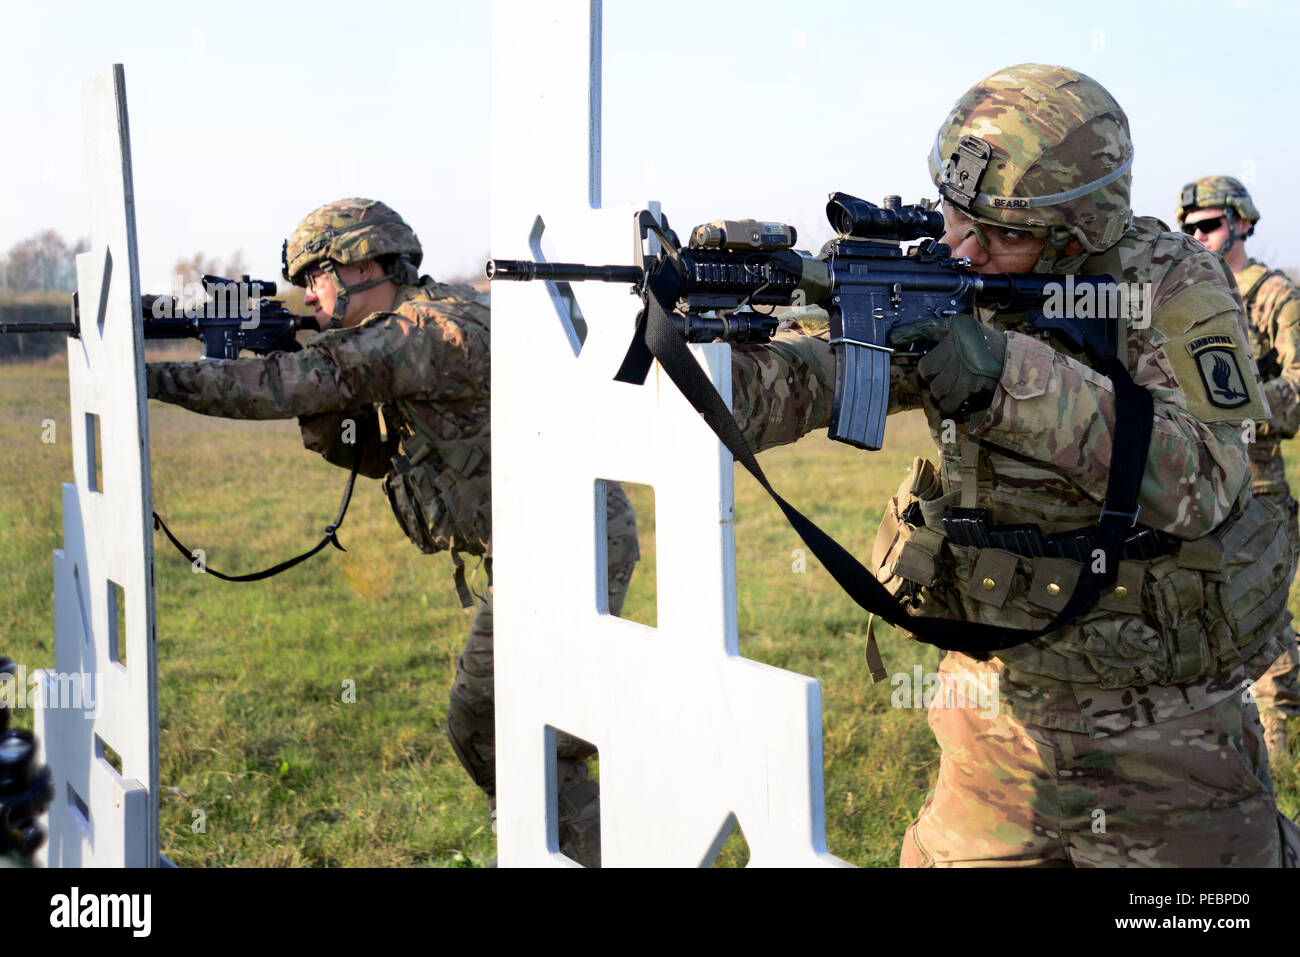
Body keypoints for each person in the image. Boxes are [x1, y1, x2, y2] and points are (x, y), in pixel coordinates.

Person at [729, 64, 1300, 866]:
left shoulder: (1171, 283)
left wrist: (1007, 374)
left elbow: (1204, 477)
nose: (966, 248)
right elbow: (830, 372)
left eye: (1000, 233)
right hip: (992, 702)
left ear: (1077, 229)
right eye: (957, 218)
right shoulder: (967, 272)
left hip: (1168, 732)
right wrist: (721, 373)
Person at [146, 198, 638, 867]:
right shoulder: (414, 327)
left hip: (563, 549)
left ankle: (565, 844)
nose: (311, 297)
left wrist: (146, 378)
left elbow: (287, 384)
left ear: (363, 261)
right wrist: (318, 402)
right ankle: (557, 844)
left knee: (491, 721)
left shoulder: (419, 330)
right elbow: (382, 451)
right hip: (553, 543)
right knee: (515, 729)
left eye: (317, 276)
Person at [1176, 176, 1300, 759]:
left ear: (1242, 223)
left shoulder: (1272, 294)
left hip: (1257, 484)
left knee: (1264, 618)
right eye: (1190, 227)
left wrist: (1234, 408)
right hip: (1191, 482)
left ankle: (1282, 745)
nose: (1199, 236)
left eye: (1211, 224)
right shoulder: (1182, 293)